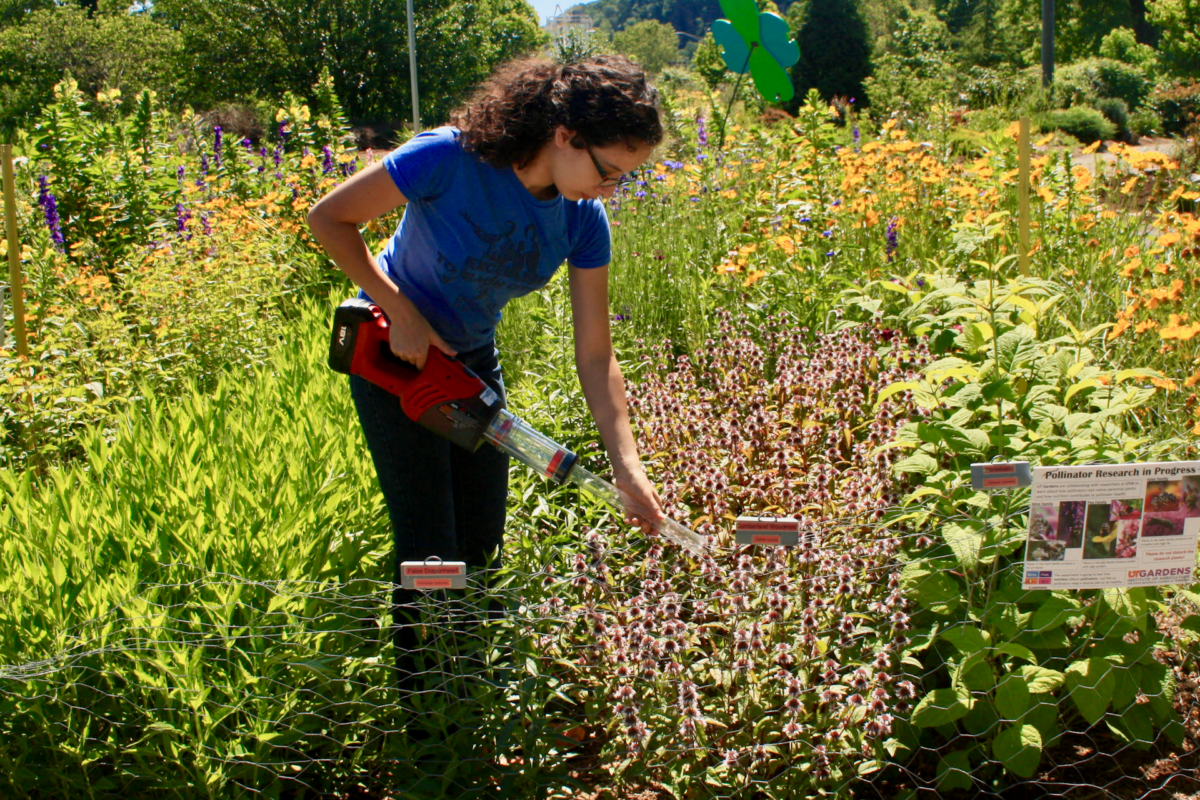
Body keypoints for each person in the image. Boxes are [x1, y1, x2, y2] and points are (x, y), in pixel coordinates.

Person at [306, 54, 667, 699]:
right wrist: (400, 307)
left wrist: (627, 465)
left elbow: (595, 354)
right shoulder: (449, 157)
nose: (611, 190)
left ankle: (470, 687)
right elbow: (328, 220)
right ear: (564, 134)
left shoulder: (583, 221)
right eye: (608, 171)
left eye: (624, 179)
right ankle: (427, 713)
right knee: (429, 550)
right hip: (396, 357)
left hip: (471, 366)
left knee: (480, 543)